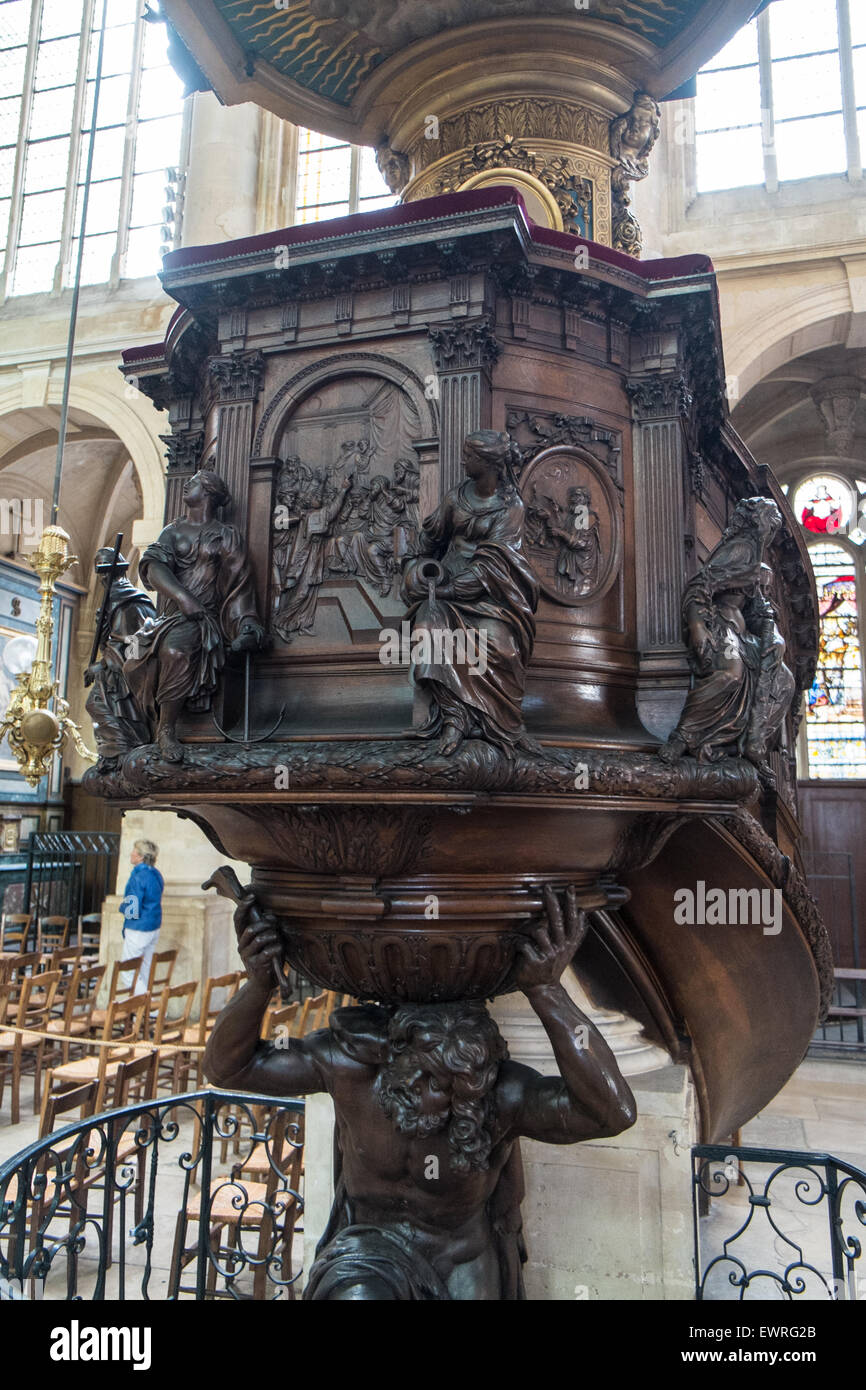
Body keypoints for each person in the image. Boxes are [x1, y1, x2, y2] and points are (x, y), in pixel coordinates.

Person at [204, 884, 636, 1301]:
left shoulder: (500, 1097)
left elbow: (611, 1112)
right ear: (395, 1054)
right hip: (367, 1255)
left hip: (462, 1259)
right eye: (413, 1072)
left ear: (470, 1088)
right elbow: (227, 1068)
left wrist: (546, 990)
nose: (416, 1088)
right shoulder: (352, 1068)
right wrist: (258, 984)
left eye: (439, 1084)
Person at [401, 429, 539, 755]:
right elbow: (429, 542)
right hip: (446, 587)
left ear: (489, 463)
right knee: (427, 626)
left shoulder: (511, 508)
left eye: (470, 456)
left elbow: (493, 566)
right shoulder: (456, 497)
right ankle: (454, 718)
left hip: (491, 595)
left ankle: (498, 722)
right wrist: (418, 569)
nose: (463, 460)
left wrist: (450, 590)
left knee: (499, 645)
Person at [123, 469, 266, 762]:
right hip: (175, 613)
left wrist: (246, 624)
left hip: (205, 618)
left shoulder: (226, 535)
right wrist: (183, 597)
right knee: (130, 655)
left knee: (176, 650)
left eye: (195, 483)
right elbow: (153, 568)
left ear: (210, 493)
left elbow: (239, 585)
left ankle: (166, 729)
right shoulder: (172, 531)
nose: (187, 484)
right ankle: (138, 727)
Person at [84, 547, 155, 772]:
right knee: (97, 705)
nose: (103, 578)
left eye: (105, 573)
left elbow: (132, 642)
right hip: (115, 669)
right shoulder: (116, 599)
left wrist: (102, 665)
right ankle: (115, 752)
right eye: (100, 573)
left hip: (124, 672)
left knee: (97, 704)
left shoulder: (128, 602)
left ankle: (121, 751)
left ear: (116, 573)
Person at [119, 838, 164, 994]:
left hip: (138, 928)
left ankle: (149, 1009)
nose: (131, 854)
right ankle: (144, 1012)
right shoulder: (156, 874)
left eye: (134, 851)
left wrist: (122, 907)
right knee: (144, 971)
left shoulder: (138, 876)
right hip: (154, 926)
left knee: (127, 972)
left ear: (140, 856)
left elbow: (132, 908)